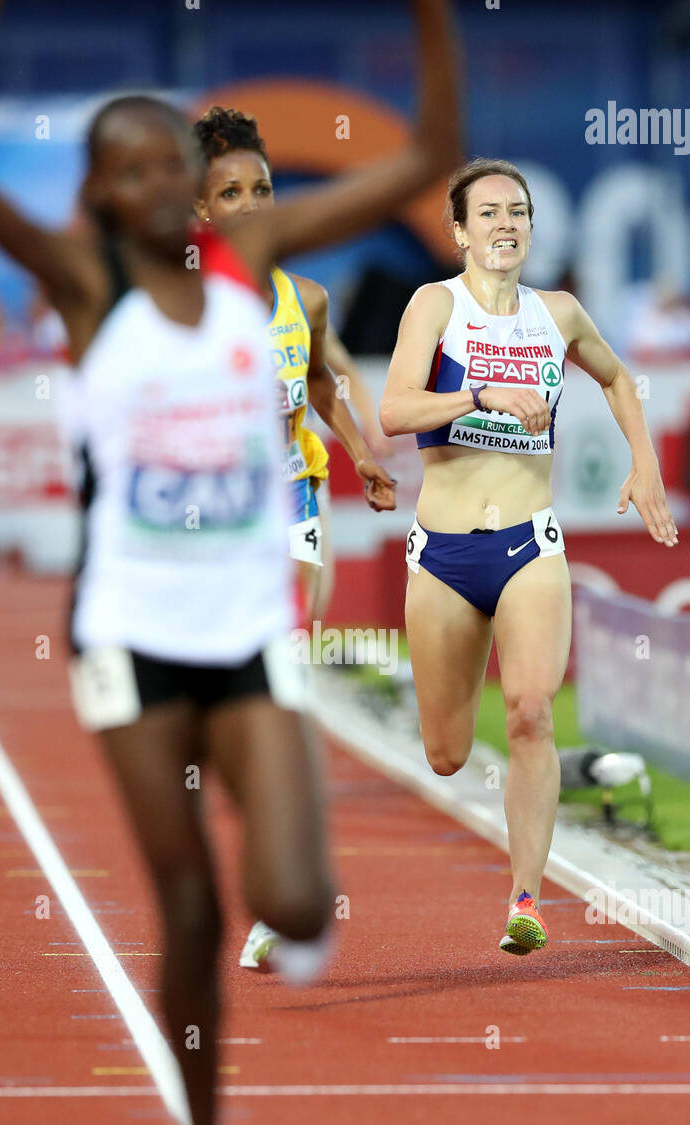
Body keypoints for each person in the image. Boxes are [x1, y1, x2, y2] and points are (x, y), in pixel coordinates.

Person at [0, 0, 460, 1125]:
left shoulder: (258, 251)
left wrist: (431, 18)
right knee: (185, 904)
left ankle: (296, 913)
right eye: (138, 171)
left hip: (243, 628)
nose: (169, 186)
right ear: (100, 196)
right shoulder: (82, 283)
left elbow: (431, 145)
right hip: (127, 636)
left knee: (283, 894)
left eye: (179, 163)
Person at [380, 157, 678, 956]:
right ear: (459, 232)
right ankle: (535, 808)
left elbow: (619, 380)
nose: (505, 225)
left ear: (532, 227)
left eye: (518, 212)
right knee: (445, 754)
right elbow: (394, 409)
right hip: (442, 553)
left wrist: (641, 461)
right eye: (488, 214)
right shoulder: (433, 305)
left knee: (529, 712)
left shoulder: (561, 314)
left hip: (528, 543)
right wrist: (481, 395)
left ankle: (526, 901)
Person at [192, 104, 397, 973]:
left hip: (296, 499)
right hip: (213, 520)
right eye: (230, 191)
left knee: (285, 680)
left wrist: (363, 455)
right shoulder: (181, 300)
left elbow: (317, 378)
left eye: (264, 187)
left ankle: (281, 894)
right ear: (201, 211)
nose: (251, 201)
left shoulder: (305, 297)